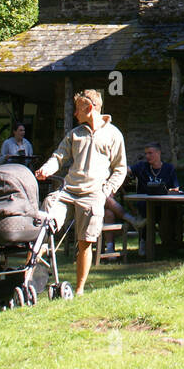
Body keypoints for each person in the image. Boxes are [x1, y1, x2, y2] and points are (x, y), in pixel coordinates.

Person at [36, 89, 127, 296]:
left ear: (89, 108)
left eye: (78, 109)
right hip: (68, 191)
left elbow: (120, 168)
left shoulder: (113, 134)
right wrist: (47, 169)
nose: (75, 114)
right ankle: (29, 281)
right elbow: (59, 157)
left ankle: (79, 290)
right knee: (44, 227)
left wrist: (106, 191)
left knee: (85, 242)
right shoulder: (75, 134)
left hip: (94, 194)